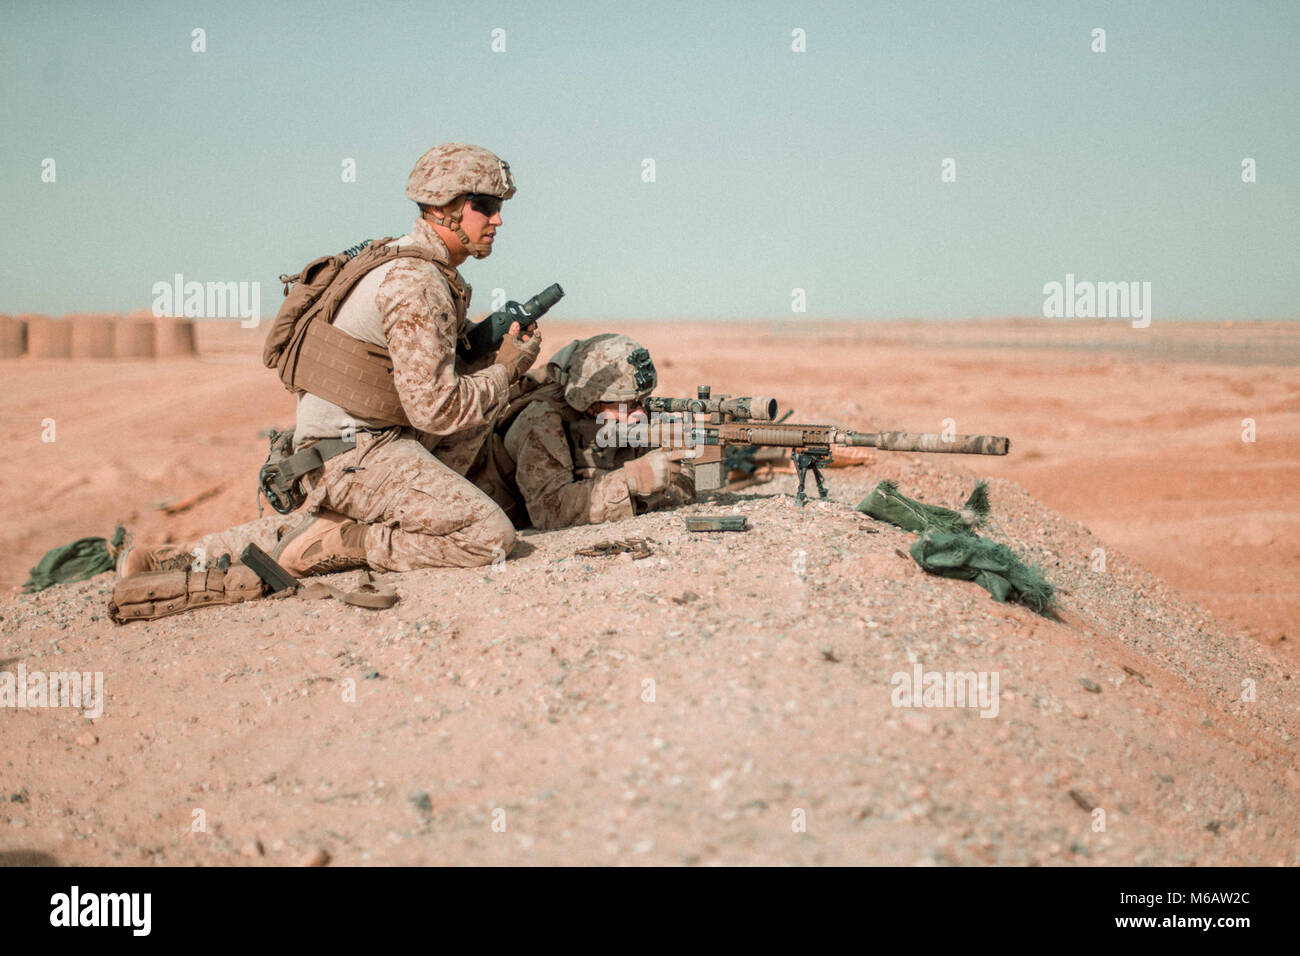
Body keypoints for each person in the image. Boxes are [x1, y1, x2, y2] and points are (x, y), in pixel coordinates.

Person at [118, 143, 541, 578]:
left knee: (474, 422)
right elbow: (436, 409)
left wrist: (488, 358)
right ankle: (344, 542)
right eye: (485, 205)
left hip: (345, 450)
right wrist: (505, 370)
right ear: (445, 206)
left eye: (500, 206)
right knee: (489, 536)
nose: (497, 219)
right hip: (357, 454)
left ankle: (170, 560)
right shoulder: (415, 281)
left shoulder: (409, 264)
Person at [468, 334, 695, 530]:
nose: (640, 414)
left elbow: (684, 483)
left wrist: (654, 484)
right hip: (489, 518)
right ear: (590, 403)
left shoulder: (626, 414)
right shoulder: (540, 420)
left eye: (642, 402)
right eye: (626, 404)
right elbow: (550, 512)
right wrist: (632, 480)